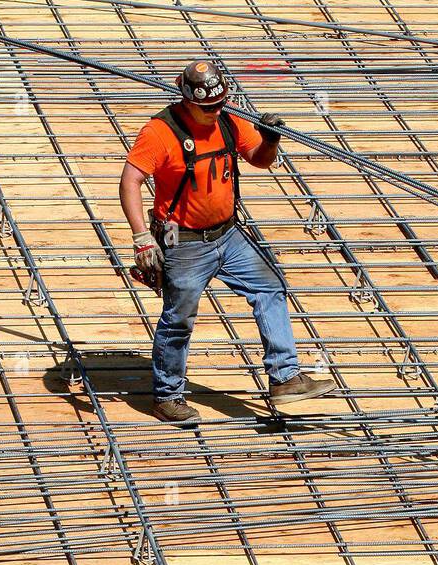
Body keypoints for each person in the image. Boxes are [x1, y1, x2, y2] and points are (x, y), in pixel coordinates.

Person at [120, 58, 335, 423]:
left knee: (270, 287)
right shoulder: (159, 132)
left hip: (229, 233)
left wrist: (270, 140)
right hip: (183, 242)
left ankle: (284, 377)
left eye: (220, 103)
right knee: (179, 319)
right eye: (207, 107)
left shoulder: (228, 119)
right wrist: (142, 237)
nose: (215, 111)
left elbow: (259, 159)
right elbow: (130, 181)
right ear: (187, 99)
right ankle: (167, 396)